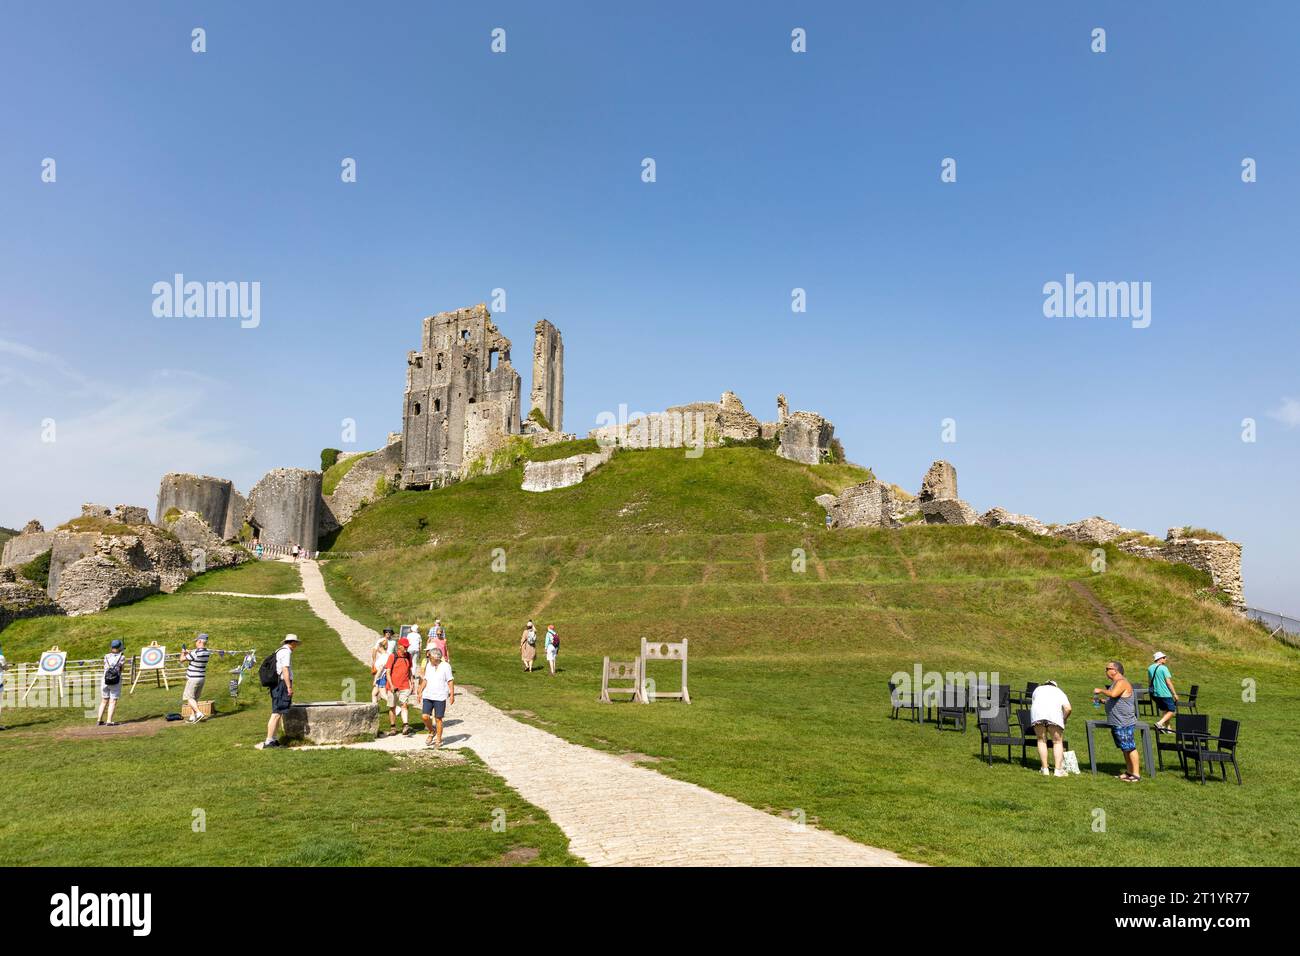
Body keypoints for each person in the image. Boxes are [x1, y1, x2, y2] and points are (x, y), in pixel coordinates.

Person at [1094, 660, 1140, 781]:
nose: (1106, 671)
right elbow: (1116, 699)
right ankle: (1129, 772)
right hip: (1117, 721)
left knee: (1130, 747)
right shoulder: (1115, 682)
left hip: (1124, 721)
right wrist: (1103, 701)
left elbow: (1113, 694)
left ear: (1115, 670)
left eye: (1108, 668)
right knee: (1125, 748)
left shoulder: (1121, 682)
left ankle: (1136, 774)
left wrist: (1101, 690)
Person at [259, 634, 300, 749]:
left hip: (276, 684)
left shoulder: (279, 651)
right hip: (281, 684)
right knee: (276, 713)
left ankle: (274, 739)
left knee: (278, 712)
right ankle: (268, 741)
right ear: (292, 642)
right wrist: (289, 687)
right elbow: (285, 669)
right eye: (296, 643)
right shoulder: (286, 652)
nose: (296, 645)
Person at [1028, 680, 1072, 777]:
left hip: (1038, 716)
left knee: (1041, 741)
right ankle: (1058, 770)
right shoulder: (1059, 691)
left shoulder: (1037, 689)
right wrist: (1064, 719)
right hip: (1054, 717)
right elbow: (1068, 708)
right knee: (1057, 742)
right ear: (1055, 686)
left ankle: (1044, 769)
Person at [417, 646, 454, 748]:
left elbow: (450, 680)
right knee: (425, 716)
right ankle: (431, 731)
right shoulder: (429, 665)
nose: (429, 659)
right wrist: (420, 691)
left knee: (438, 719)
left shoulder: (446, 666)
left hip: (440, 696)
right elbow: (426, 679)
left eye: (431, 658)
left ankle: (439, 739)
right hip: (428, 695)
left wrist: (451, 694)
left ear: (436, 658)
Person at [381, 637, 415, 736]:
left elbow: (409, 670)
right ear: (399, 646)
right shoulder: (393, 656)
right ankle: (393, 728)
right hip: (393, 686)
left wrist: (412, 682)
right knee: (392, 707)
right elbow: (387, 672)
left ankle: (405, 726)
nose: (406, 649)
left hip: (405, 685)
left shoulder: (408, 656)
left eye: (407, 647)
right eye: (405, 647)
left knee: (404, 705)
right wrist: (391, 685)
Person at [180, 633, 212, 723]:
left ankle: (198, 713)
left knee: (189, 698)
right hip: (201, 678)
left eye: (197, 641)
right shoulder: (207, 652)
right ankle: (192, 716)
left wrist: (183, 652)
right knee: (195, 698)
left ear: (200, 641)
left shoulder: (195, 653)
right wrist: (189, 652)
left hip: (193, 678)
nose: (196, 643)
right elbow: (196, 653)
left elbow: (182, 659)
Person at [95, 639, 127, 726]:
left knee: (104, 700)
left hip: (105, 680)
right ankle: (109, 721)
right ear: (120, 647)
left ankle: (99, 720)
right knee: (112, 701)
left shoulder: (106, 656)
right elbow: (122, 669)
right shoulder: (122, 657)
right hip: (115, 680)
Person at [1147, 651, 1179, 733]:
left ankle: (1168, 728)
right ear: (1159, 659)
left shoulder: (1150, 668)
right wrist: (1174, 694)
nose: (1166, 659)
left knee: (1165, 710)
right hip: (1164, 693)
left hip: (1155, 693)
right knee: (1172, 710)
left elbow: (1149, 681)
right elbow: (1168, 682)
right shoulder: (1164, 668)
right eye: (1164, 658)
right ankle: (1160, 723)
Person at [371, 629, 395, 704]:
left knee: (383, 695)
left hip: (381, 677)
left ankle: (395, 707)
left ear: (381, 647)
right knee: (374, 694)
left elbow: (381, 669)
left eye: (379, 647)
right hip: (380, 676)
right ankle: (374, 709)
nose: (378, 648)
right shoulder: (385, 656)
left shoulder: (384, 657)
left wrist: (375, 679)